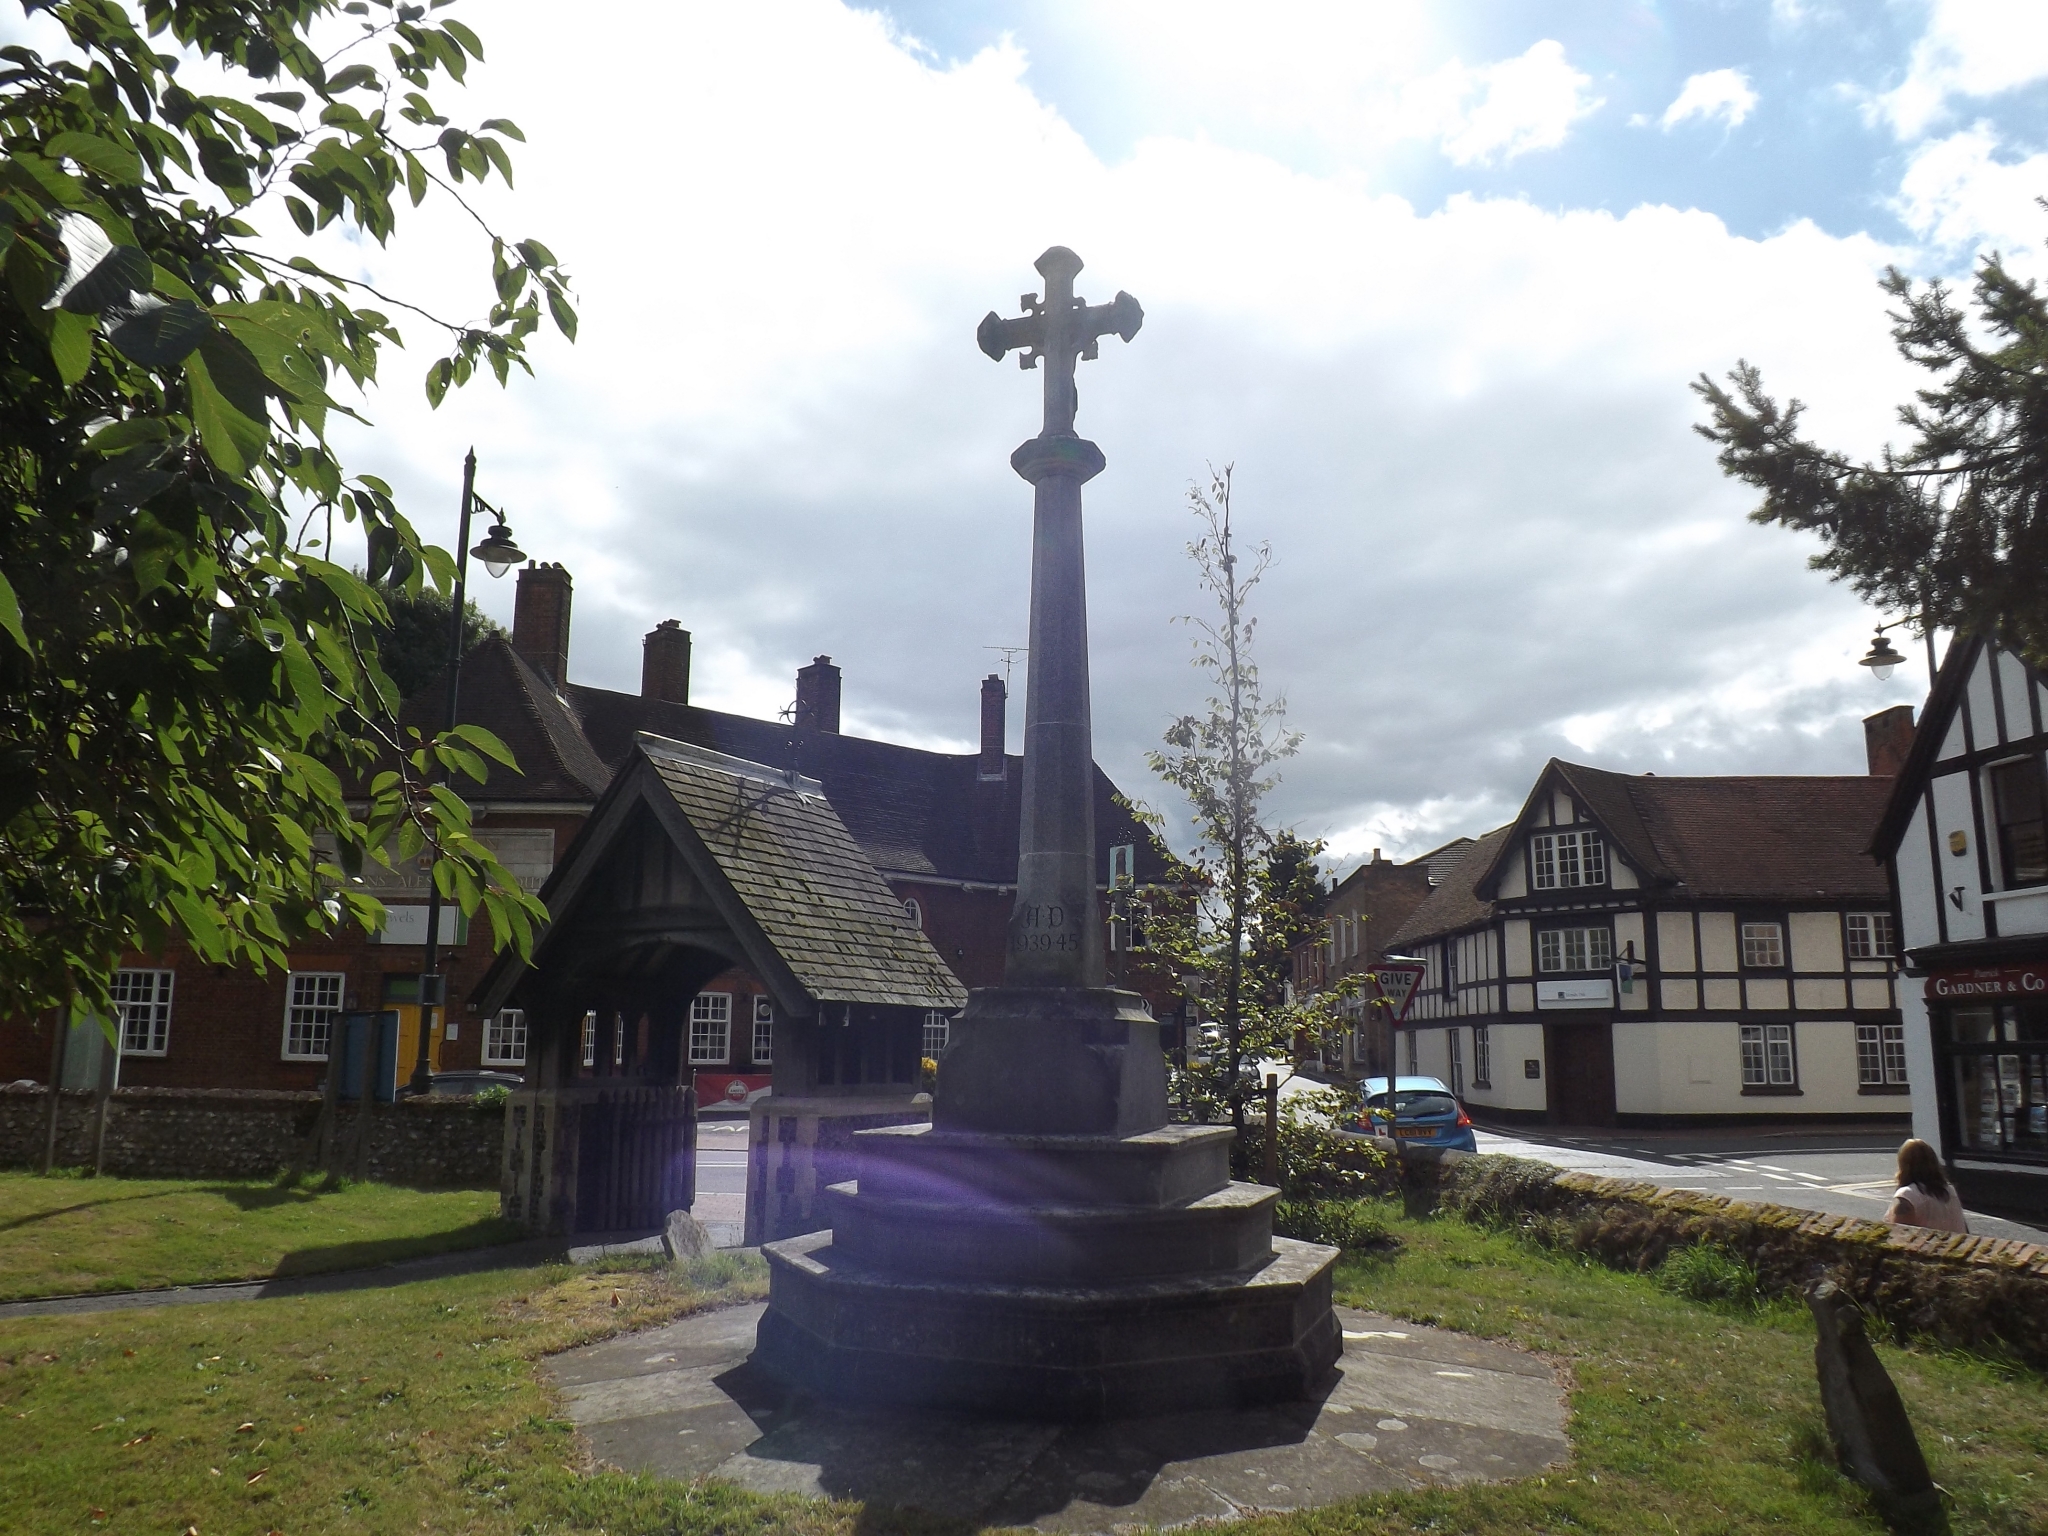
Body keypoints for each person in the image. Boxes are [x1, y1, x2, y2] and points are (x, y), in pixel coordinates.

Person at [1883, 1138, 1969, 1234]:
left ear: (1903, 1165)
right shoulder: (1949, 1190)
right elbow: (1964, 1230)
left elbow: (1899, 1236)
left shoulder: (1907, 1196)